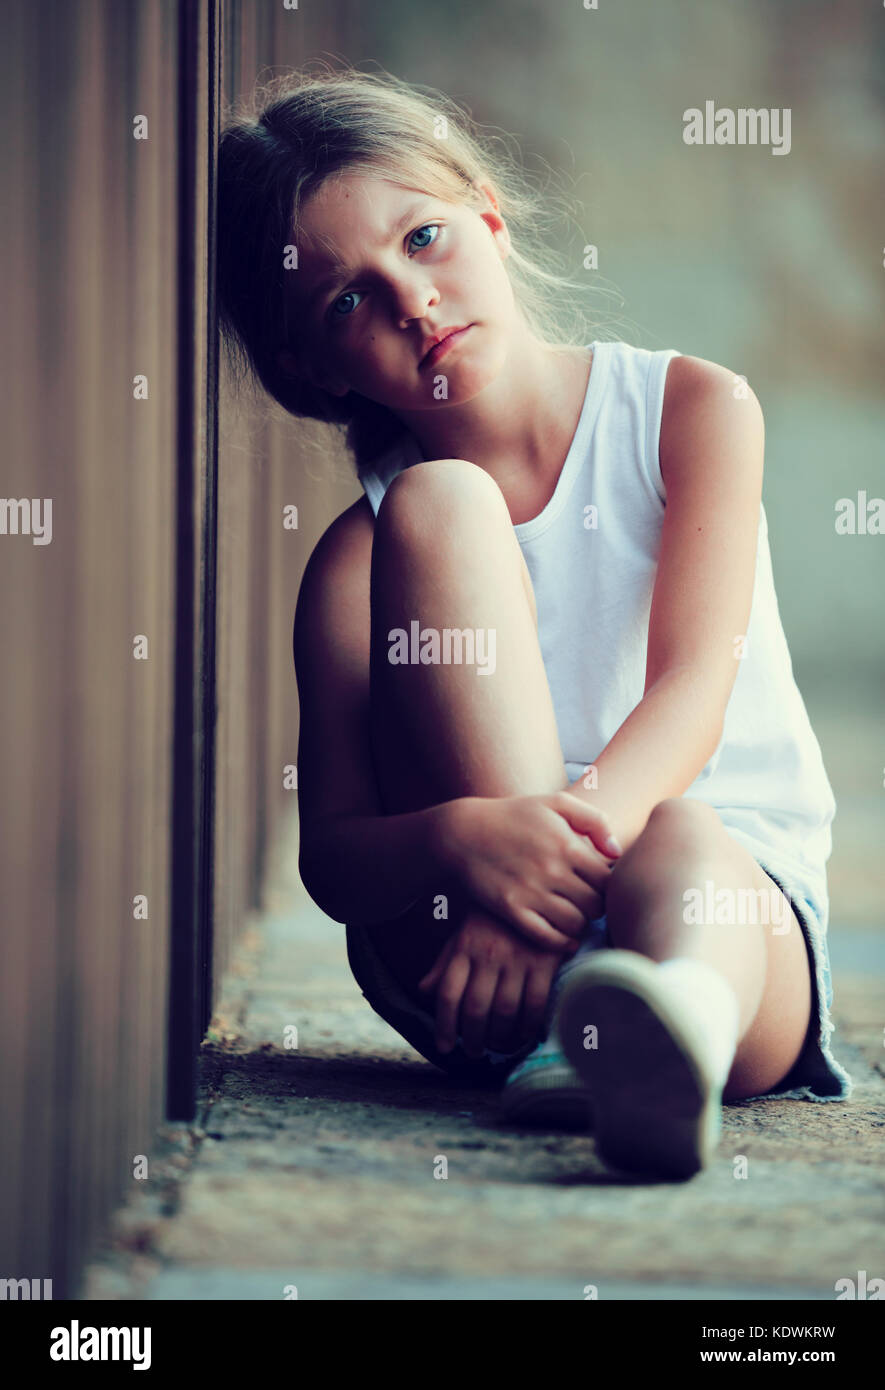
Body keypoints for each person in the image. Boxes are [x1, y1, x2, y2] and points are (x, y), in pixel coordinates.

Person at [216, 63, 852, 1181]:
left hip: (717, 925)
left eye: (421, 239)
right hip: (471, 960)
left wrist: (556, 864)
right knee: (440, 499)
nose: (411, 299)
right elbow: (336, 858)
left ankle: (668, 1043)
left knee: (682, 841)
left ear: (489, 218)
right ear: (314, 369)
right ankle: (578, 1017)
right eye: (349, 300)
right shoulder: (358, 562)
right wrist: (469, 846)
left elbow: (695, 692)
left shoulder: (692, 412)